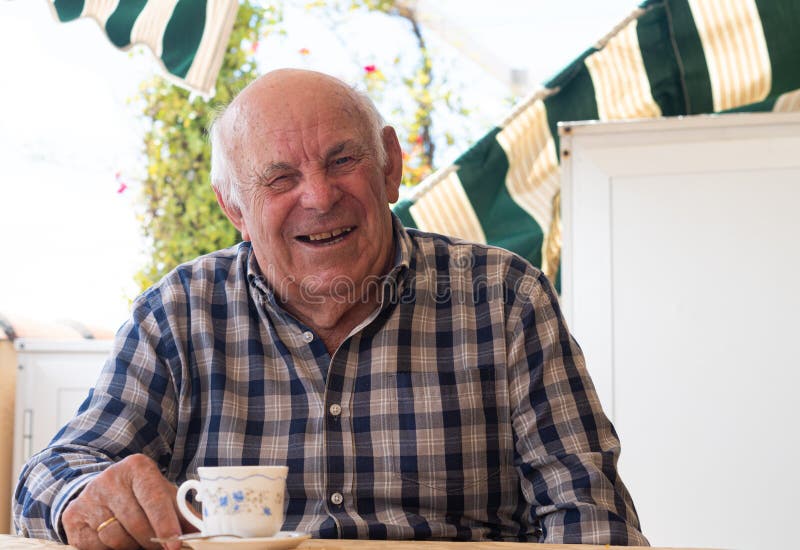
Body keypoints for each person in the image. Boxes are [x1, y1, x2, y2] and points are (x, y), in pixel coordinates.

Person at [14, 69, 648, 549]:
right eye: (279, 178)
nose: (319, 196)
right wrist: (87, 497)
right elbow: (51, 476)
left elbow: (591, 517)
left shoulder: (504, 298)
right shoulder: (181, 311)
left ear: (390, 167)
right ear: (235, 208)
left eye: (342, 161)